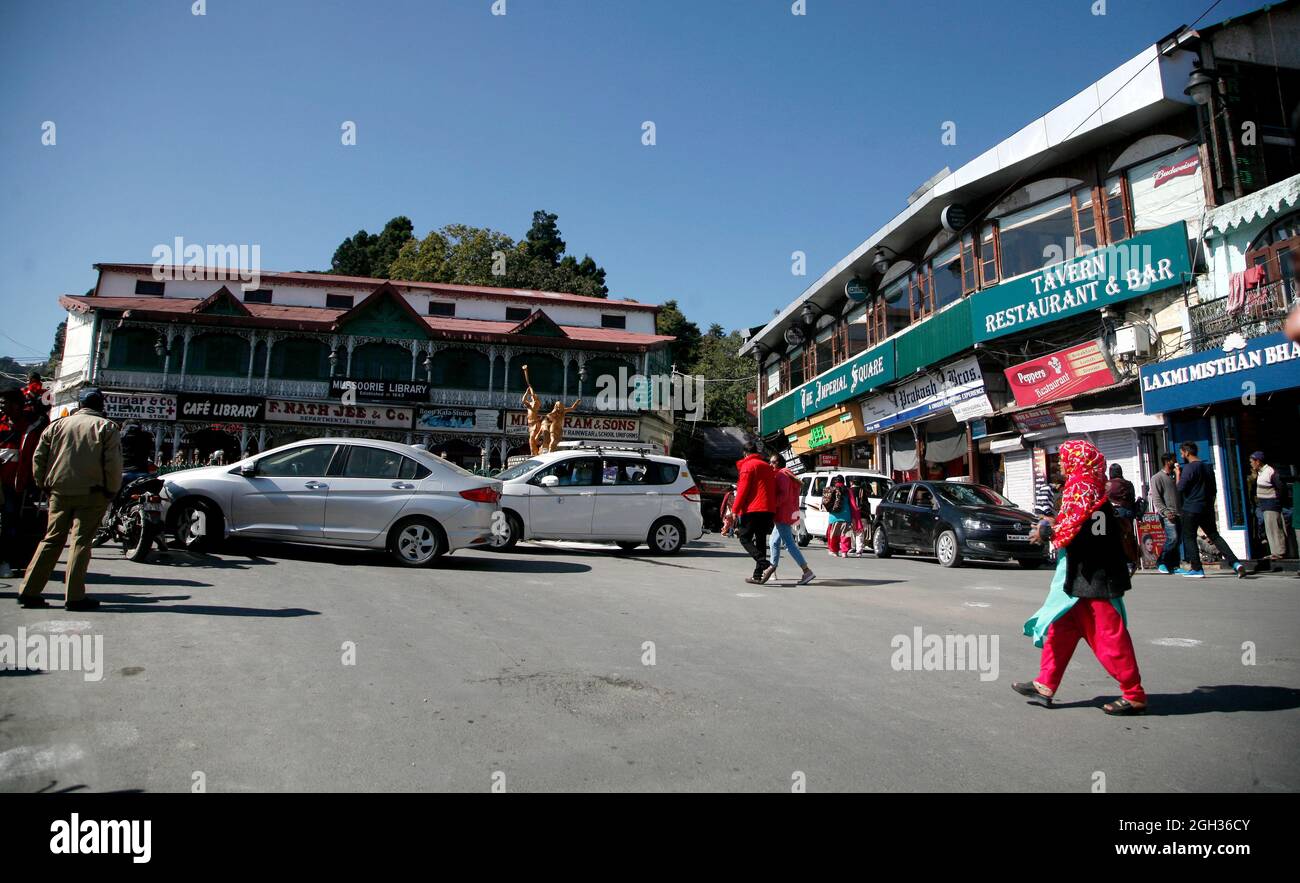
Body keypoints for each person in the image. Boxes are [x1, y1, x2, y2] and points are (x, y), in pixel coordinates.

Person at [1015, 439, 1147, 715]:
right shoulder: (1084, 489)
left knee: (1109, 637)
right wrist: (1055, 525)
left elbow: (1087, 531)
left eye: (1065, 459)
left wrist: (1049, 531)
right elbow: (1076, 523)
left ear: (1077, 462)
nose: (1061, 464)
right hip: (1081, 578)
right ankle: (1045, 685)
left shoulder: (1083, 490)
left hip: (1096, 578)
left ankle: (1133, 694)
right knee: (1059, 632)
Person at [17, 388, 123, 610]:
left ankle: (29, 591)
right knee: (80, 542)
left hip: (58, 490)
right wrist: (112, 489)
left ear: (80, 404)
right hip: (92, 493)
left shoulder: (56, 425)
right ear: (100, 405)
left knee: (51, 539)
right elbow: (112, 464)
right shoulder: (106, 427)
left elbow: (39, 457)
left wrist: (43, 483)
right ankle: (74, 596)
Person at [1176, 441, 1247, 579]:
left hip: (1191, 507)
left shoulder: (1189, 468)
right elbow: (1214, 489)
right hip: (1206, 507)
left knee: (1189, 537)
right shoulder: (1207, 467)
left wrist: (1178, 473)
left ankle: (1196, 568)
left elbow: (1180, 488)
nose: (1181, 455)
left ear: (1187, 452)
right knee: (1214, 536)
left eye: (1182, 453)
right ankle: (1236, 563)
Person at [763, 454, 815, 585]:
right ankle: (771, 569)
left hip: (782, 514)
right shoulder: (787, 474)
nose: (770, 464)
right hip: (786, 513)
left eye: (773, 462)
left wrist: (771, 506)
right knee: (774, 542)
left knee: (789, 544)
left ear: (779, 463)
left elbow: (783, 496)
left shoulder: (781, 475)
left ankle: (806, 571)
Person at [732, 441, 776, 585]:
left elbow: (742, 490)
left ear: (745, 453)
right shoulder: (767, 466)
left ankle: (766, 565)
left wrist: (735, 509)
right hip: (768, 509)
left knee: (744, 538)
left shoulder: (748, 466)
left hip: (753, 508)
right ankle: (758, 576)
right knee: (761, 540)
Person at [1249, 451, 1287, 560]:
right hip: (1264, 505)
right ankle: (1274, 552)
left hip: (1271, 504)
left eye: (1252, 461)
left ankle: (1279, 552)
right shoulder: (1260, 472)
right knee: (1270, 529)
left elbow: (1280, 487)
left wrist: (1276, 500)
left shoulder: (1270, 471)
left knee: (1275, 529)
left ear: (1258, 461)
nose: (1251, 464)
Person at [1149, 452, 1182, 574]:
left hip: (1178, 512)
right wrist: (1165, 512)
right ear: (1168, 461)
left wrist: (1178, 475)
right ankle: (1161, 561)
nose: (1176, 462)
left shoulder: (1173, 476)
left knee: (1178, 541)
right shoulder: (1157, 478)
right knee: (1172, 538)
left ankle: (1174, 565)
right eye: (1174, 460)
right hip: (1167, 514)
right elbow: (1156, 498)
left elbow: (1179, 491)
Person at [1106, 463, 1139, 574]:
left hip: (1115, 513)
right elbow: (1133, 498)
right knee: (1128, 537)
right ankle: (1131, 561)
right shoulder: (1128, 484)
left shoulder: (1108, 485)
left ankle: (1121, 563)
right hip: (1128, 512)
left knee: (1116, 539)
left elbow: (1105, 499)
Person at [823, 476, 851, 558]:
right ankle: (844, 552)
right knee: (845, 535)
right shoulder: (847, 490)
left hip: (834, 516)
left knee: (834, 535)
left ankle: (835, 551)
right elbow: (852, 504)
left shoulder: (831, 489)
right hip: (846, 516)